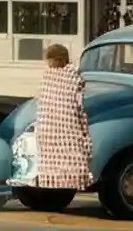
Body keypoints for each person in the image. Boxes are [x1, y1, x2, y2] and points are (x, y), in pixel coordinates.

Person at [35, 45, 94, 190]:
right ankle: (75, 179)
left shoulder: (49, 77)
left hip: (48, 128)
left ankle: (52, 180)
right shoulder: (73, 77)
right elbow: (79, 106)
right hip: (65, 127)